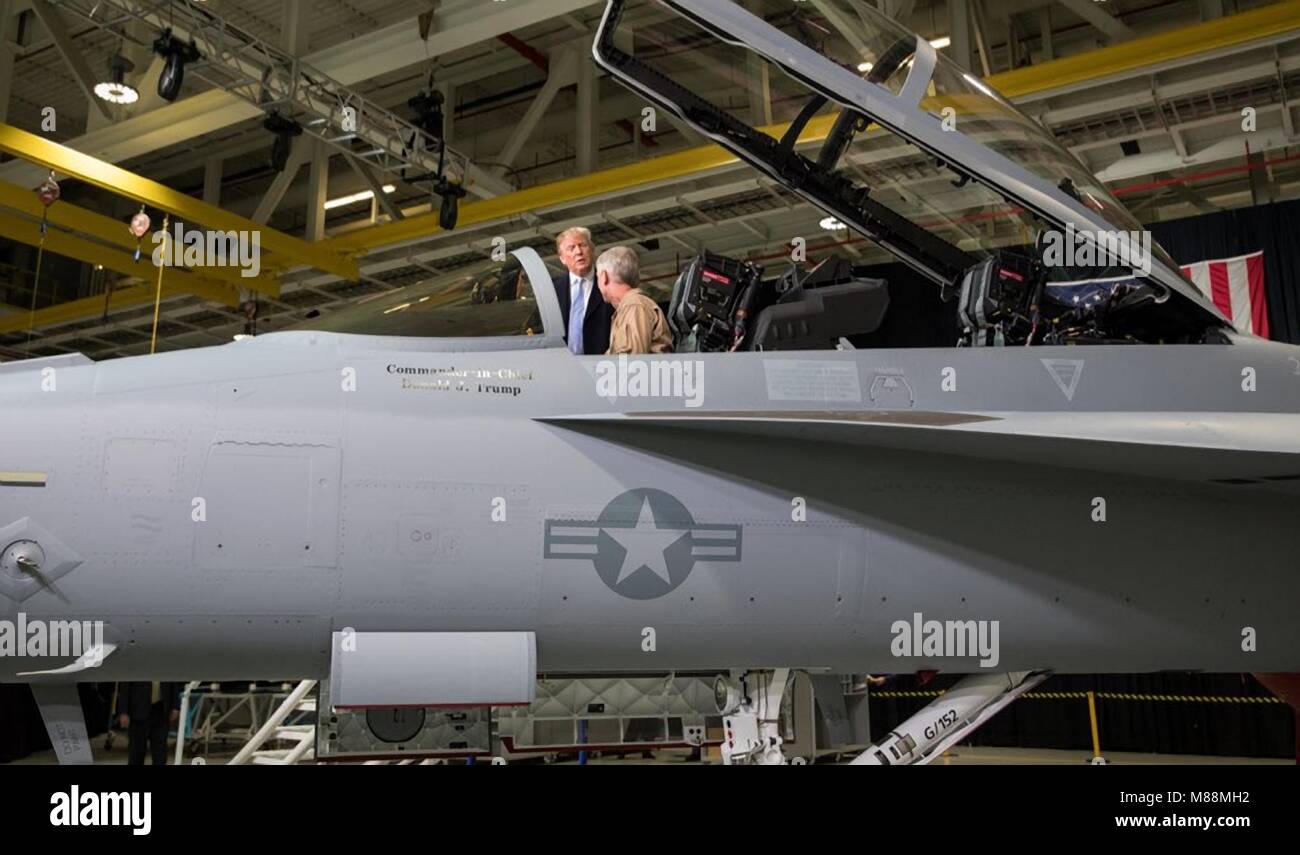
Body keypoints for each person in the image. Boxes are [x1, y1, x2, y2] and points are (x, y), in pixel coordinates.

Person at [596, 246, 673, 355]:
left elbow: (631, 362)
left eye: (597, 276)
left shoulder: (634, 306)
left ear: (604, 277)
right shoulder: (632, 306)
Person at [552, 226, 612, 354]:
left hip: (601, 364)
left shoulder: (609, 282)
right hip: (562, 366)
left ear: (592, 249)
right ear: (562, 258)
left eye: (582, 245)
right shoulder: (553, 290)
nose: (578, 251)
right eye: (571, 248)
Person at [116, 681, 182, 765]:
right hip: (138, 712)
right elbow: (124, 687)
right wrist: (123, 711)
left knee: (160, 751)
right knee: (136, 752)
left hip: (160, 710)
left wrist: (175, 706)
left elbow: (173, 683)